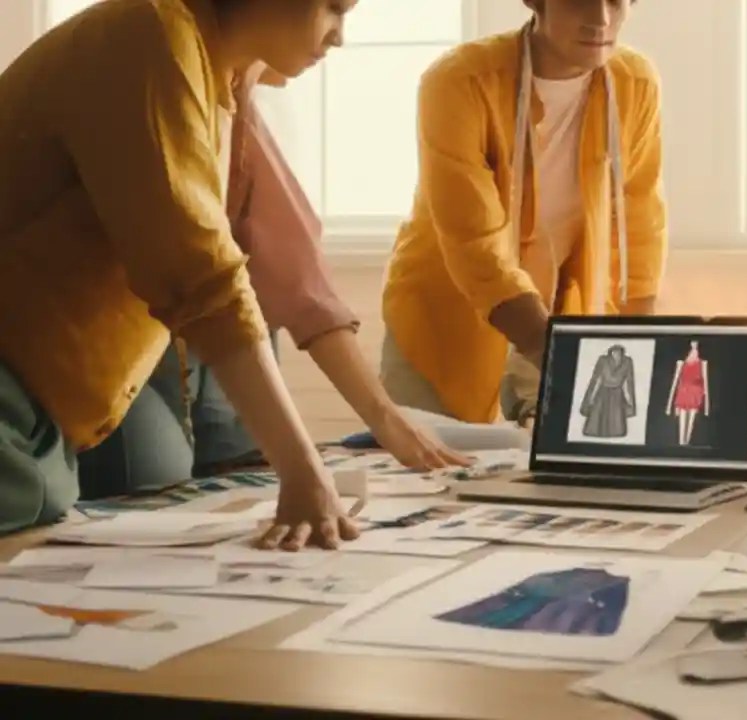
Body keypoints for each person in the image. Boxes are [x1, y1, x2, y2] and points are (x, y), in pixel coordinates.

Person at [0, 0, 365, 550]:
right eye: (334, 8)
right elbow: (202, 272)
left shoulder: (217, 74)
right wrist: (302, 468)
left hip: (44, 415)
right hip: (14, 388)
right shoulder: (148, 32)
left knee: (44, 512)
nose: (339, 37)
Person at [76, 61, 470, 501]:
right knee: (151, 476)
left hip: (205, 322)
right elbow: (294, 283)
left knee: (241, 469)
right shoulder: (160, 76)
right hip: (119, 332)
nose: (337, 39)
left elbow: (293, 271)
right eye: (331, 10)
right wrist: (377, 422)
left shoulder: (238, 100)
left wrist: (382, 419)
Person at [380, 0, 668, 428]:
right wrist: (563, 363)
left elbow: (638, 222)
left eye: (615, 0)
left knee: (557, 481)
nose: (601, 19)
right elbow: (473, 243)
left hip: (562, 320)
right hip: (446, 316)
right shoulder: (459, 81)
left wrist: (639, 352)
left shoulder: (634, 83)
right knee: (425, 477)